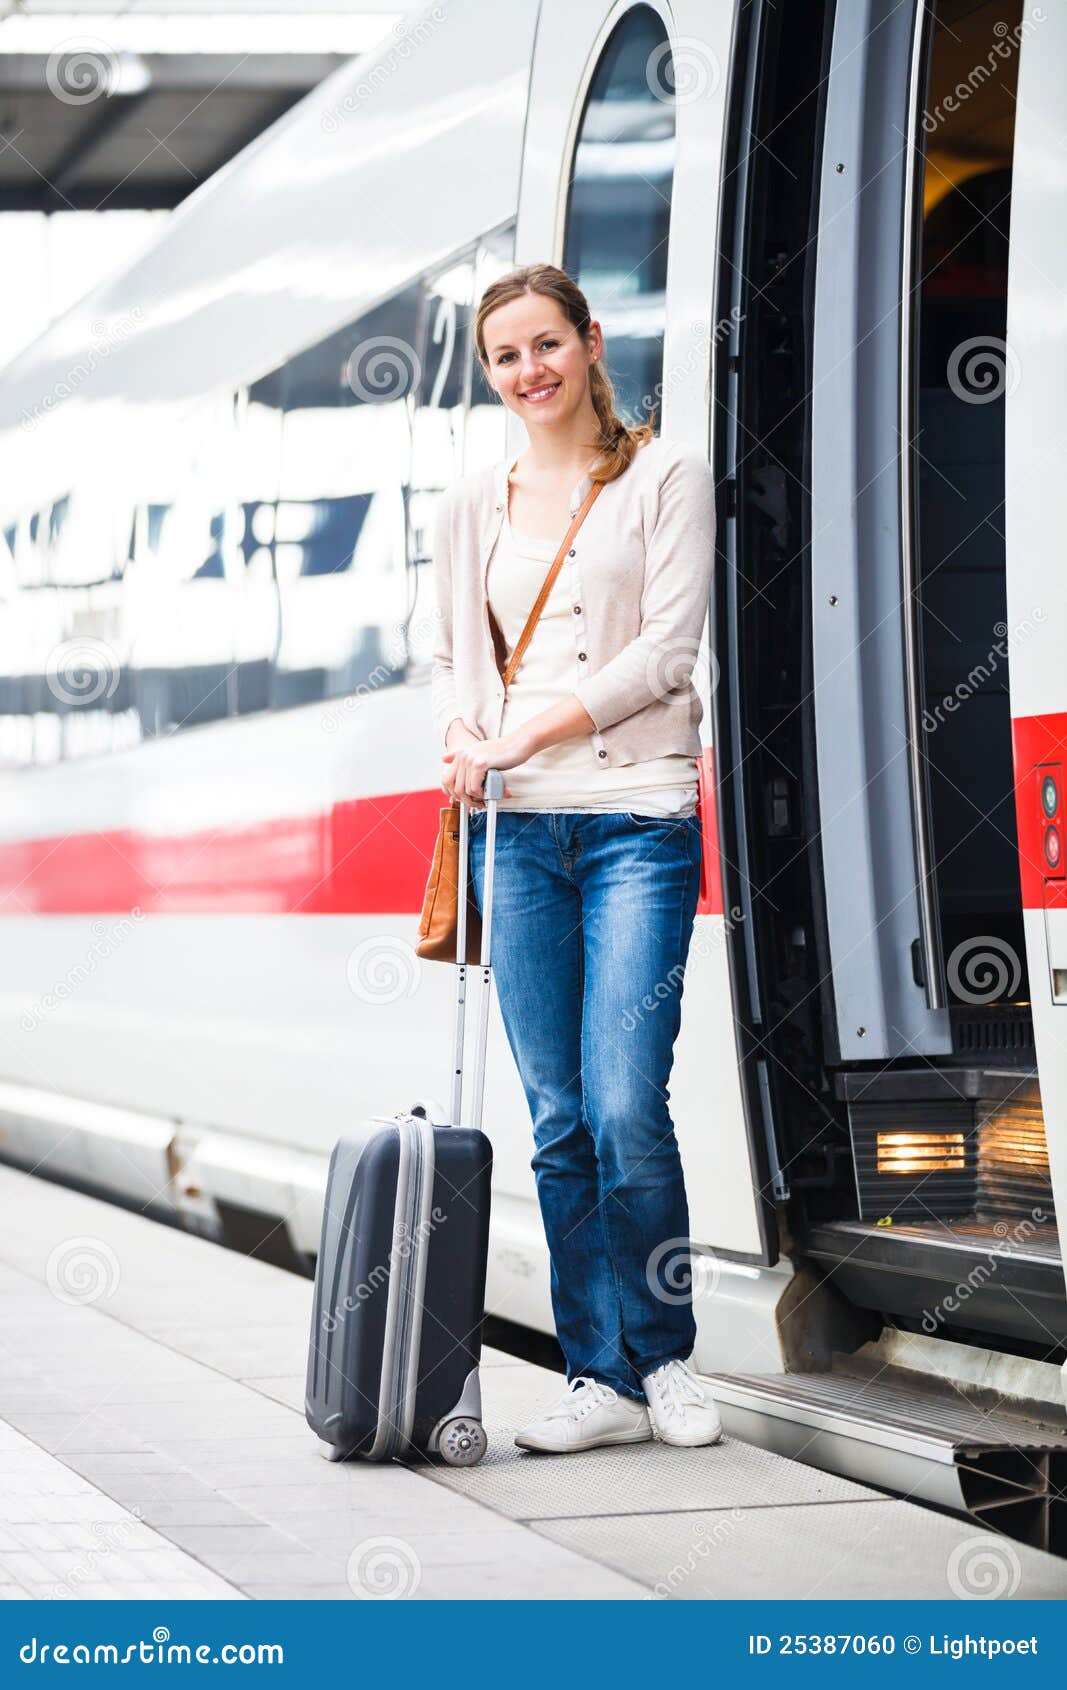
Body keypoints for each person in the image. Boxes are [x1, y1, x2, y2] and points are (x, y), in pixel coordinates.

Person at [430, 262, 721, 1453]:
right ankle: (598, 1376)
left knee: (623, 1102)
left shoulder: (663, 477)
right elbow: (448, 654)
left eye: (545, 344)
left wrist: (523, 734)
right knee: (557, 1117)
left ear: (590, 342)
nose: (528, 371)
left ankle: (666, 1357)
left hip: (636, 820)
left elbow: (666, 652)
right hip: (515, 834)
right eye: (504, 356)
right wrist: (465, 735)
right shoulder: (470, 503)